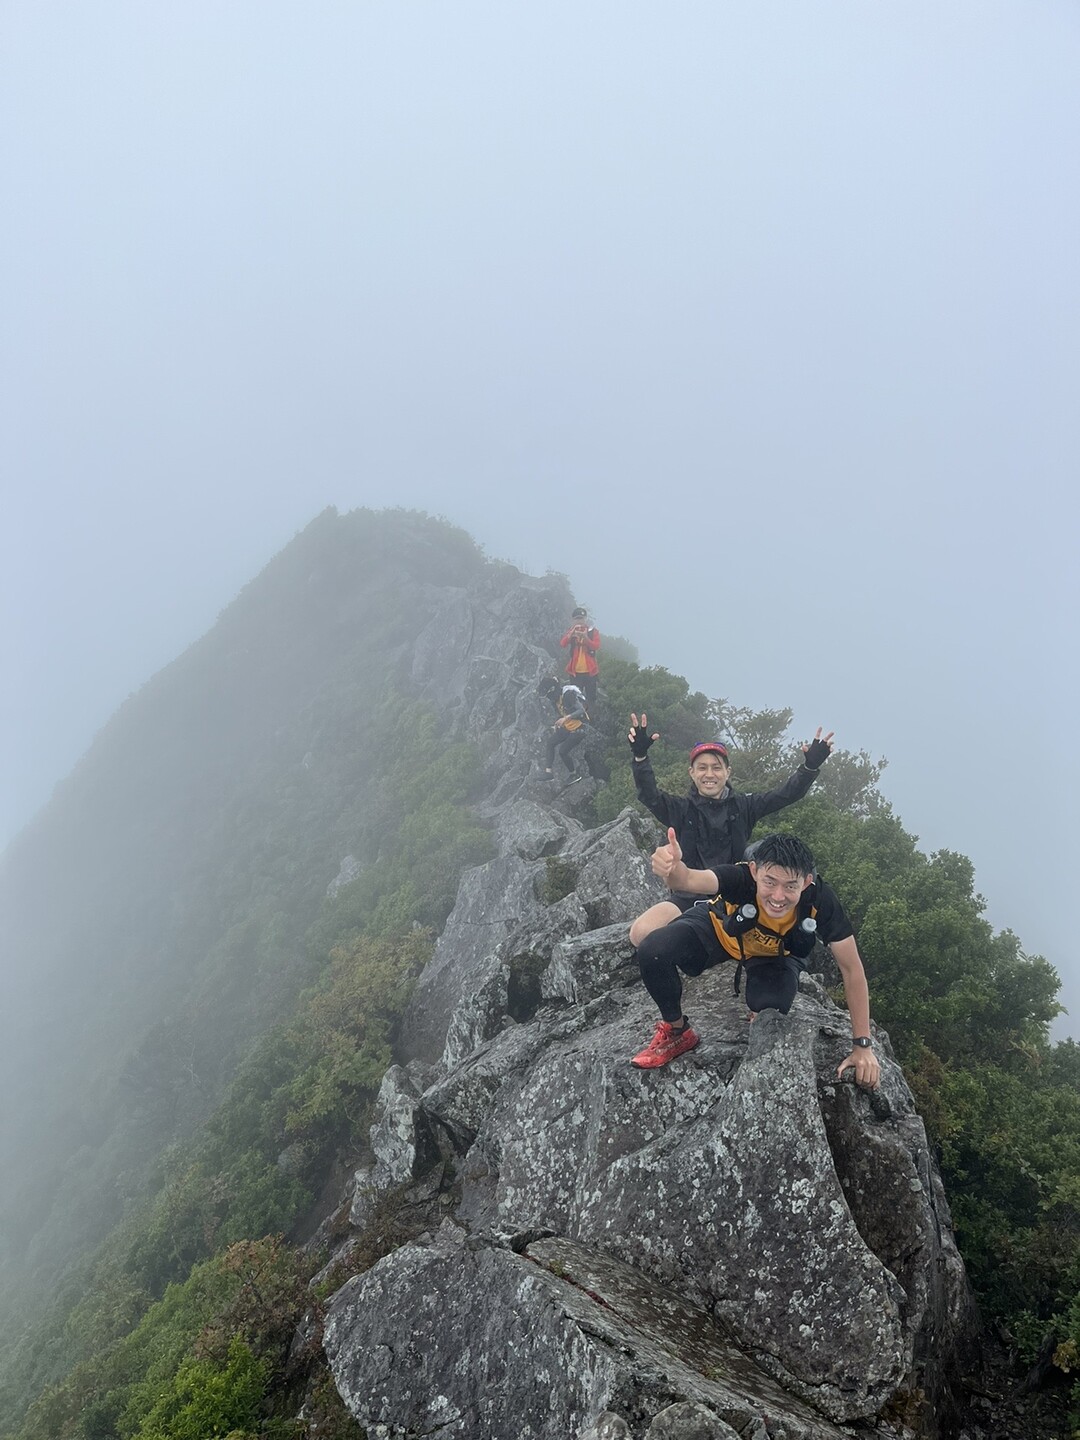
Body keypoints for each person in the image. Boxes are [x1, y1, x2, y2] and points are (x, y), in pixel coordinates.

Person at [630, 831, 881, 1087]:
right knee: (654, 949)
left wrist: (863, 1046)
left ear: (806, 882)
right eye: (770, 882)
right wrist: (671, 867)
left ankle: (759, 1002)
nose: (778, 896)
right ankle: (676, 1031)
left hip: (775, 954)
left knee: (769, 1008)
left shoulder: (820, 901)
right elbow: (689, 879)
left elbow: (852, 970)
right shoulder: (740, 878)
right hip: (722, 931)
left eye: (790, 886)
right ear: (754, 871)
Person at [627, 717, 833, 946]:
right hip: (688, 897)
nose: (709, 774)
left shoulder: (744, 806)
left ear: (727, 772)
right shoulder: (680, 809)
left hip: (736, 897)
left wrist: (809, 767)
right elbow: (649, 795)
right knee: (640, 933)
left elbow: (785, 795)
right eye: (702, 768)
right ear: (692, 773)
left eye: (716, 768)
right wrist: (640, 758)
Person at [543, 683, 589, 778]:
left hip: (579, 727)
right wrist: (558, 723)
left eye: (549, 696)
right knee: (550, 743)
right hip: (568, 727)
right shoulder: (555, 701)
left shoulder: (568, 695)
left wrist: (566, 718)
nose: (549, 698)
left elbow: (581, 710)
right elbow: (562, 713)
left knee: (563, 751)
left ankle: (574, 774)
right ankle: (548, 773)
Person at [560, 607, 601, 708]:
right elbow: (563, 643)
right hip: (575, 672)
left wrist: (585, 638)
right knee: (575, 697)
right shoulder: (571, 632)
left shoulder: (593, 632)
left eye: (581, 618)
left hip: (590, 671)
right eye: (577, 619)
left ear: (585, 619)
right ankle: (578, 718)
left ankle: (591, 718)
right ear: (573, 620)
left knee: (591, 697)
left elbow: (596, 646)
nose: (580, 621)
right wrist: (571, 634)